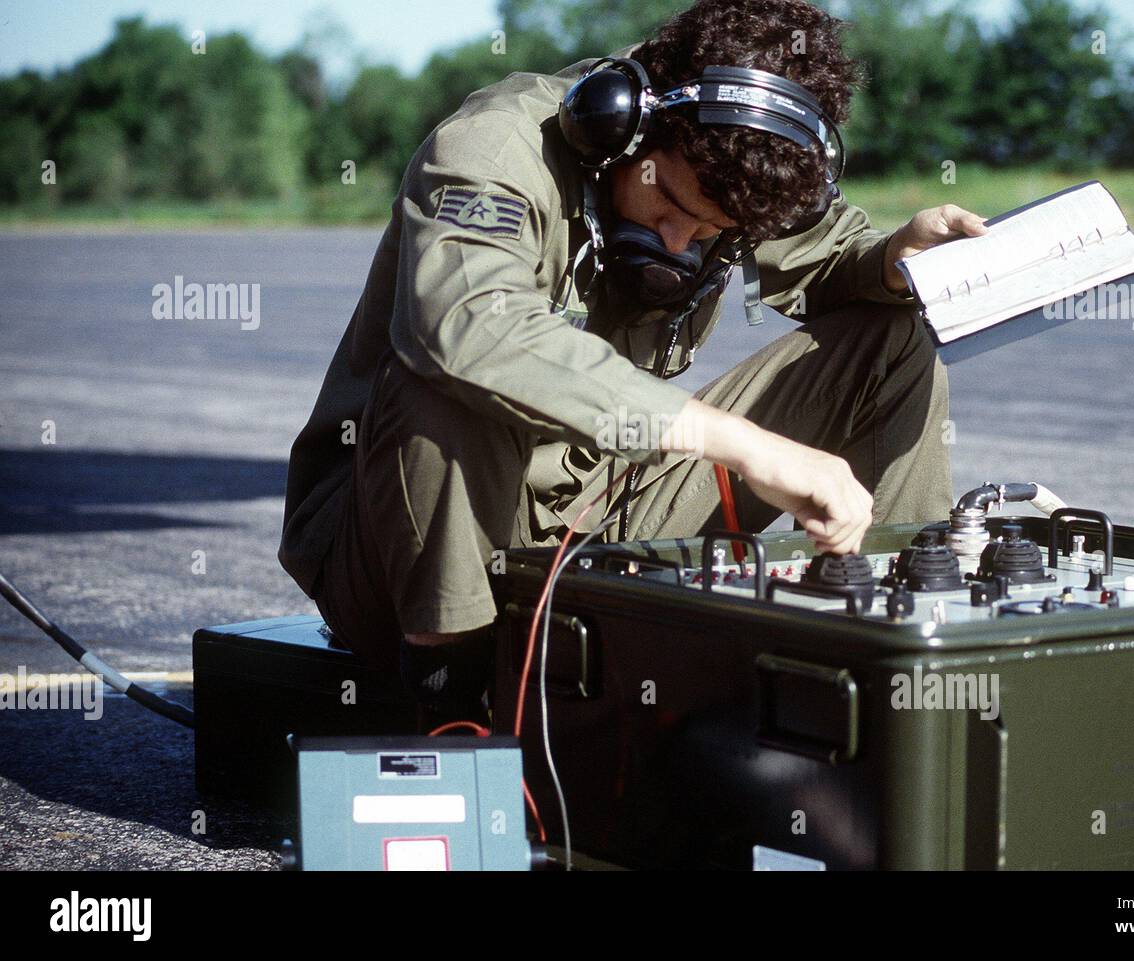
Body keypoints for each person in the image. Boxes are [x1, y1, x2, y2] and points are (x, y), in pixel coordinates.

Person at [278, 0, 988, 723]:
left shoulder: (725, 173)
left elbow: (833, 256)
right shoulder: (497, 147)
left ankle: (900, 667)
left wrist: (895, 259)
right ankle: (457, 704)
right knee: (450, 377)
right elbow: (466, 326)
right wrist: (748, 448)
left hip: (601, 505)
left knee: (894, 338)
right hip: (405, 546)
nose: (682, 243)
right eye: (669, 205)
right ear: (621, 126)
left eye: (715, 233)